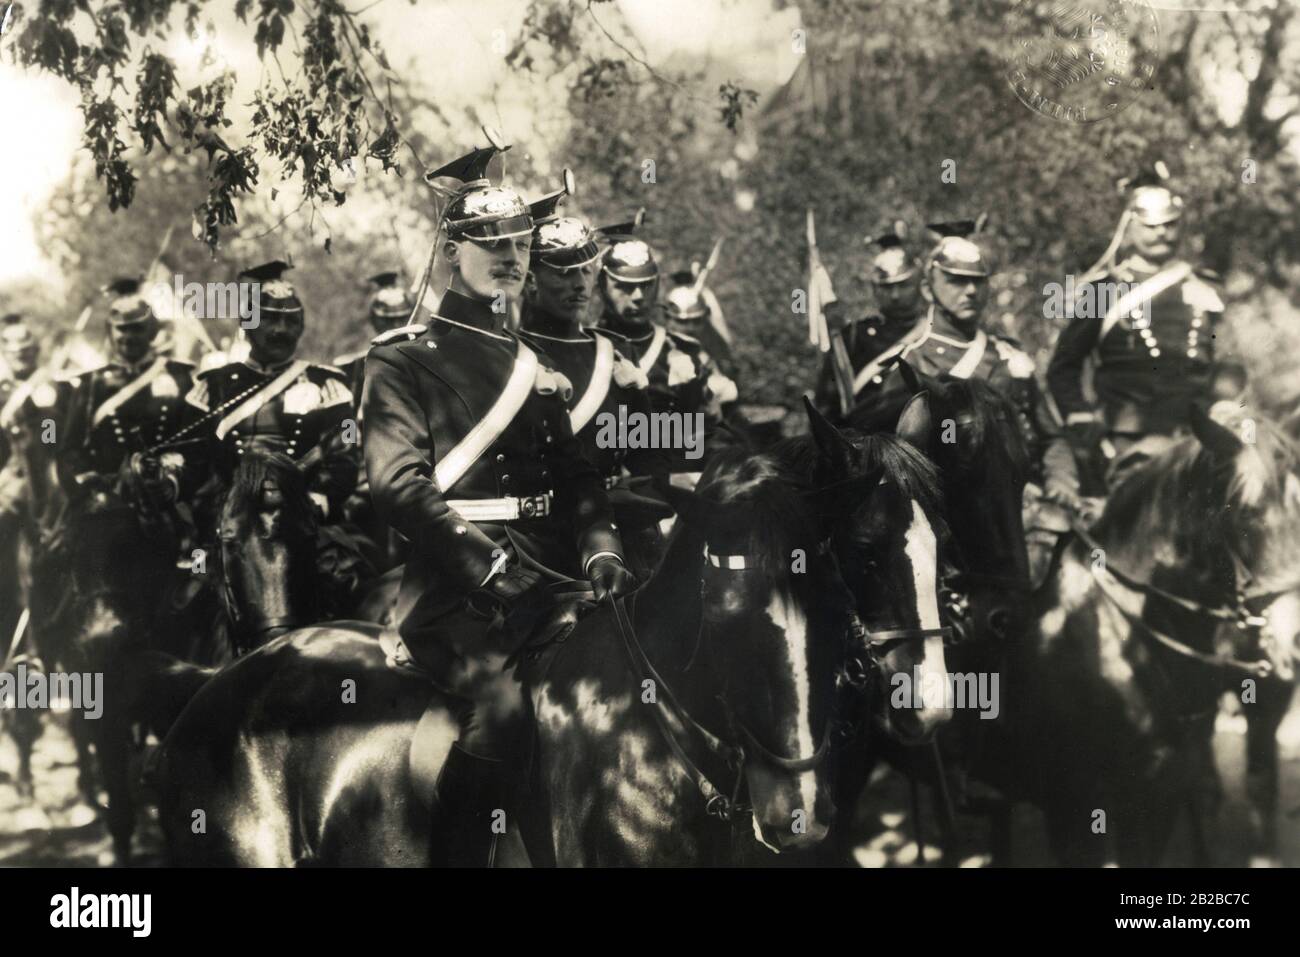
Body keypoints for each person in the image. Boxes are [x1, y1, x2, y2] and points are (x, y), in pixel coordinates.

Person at [362, 138, 634, 866]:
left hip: (552, 583)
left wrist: (602, 549)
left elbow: (580, 480)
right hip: (457, 597)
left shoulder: (537, 368)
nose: (510, 259)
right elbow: (397, 485)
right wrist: (484, 567)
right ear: (452, 252)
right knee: (506, 717)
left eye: (518, 244)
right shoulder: (401, 360)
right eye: (490, 245)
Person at [873, 219, 1080, 586]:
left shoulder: (1010, 357)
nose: (969, 291)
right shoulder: (913, 363)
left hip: (1024, 506)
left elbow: (1052, 436)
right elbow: (894, 458)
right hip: (953, 519)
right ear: (928, 286)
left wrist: (1062, 480)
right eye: (955, 280)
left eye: (977, 281)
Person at [518, 177, 671, 579]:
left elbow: (650, 457)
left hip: (617, 526)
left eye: (586, 272)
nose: (579, 284)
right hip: (540, 533)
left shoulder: (614, 348)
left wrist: (641, 399)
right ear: (530, 279)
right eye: (563, 273)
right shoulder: (511, 350)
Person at [1046, 162, 1225, 493]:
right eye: (1151, 225)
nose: (1161, 233)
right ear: (1130, 227)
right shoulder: (1104, 290)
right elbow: (1063, 367)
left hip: (1194, 434)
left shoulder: (1204, 287)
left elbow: (1223, 364)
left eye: (1170, 225)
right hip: (1126, 440)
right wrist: (1080, 417)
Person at [595, 213, 737, 484]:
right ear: (602, 286)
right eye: (624, 286)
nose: (638, 297)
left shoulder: (685, 351)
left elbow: (709, 431)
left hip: (673, 493)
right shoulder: (584, 347)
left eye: (646, 285)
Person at [57, 279, 200, 505]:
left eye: (137, 328)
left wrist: (175, 484)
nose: (129, 337)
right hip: (107, 501)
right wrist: (90, 484)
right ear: (110, 332)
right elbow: (68, 449)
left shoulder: (178, 376)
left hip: (166, 498)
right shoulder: (92, 383)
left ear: (152, 331)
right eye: (122, 329)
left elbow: (198, 445)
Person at [814, 223, 925, 411]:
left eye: (903, 285)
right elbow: (827, 402)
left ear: (919, 285)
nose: (895, 295)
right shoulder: (854, 336)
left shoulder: (932, 331)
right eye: (887, 287)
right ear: (874, 289)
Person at [333, 271, 417, 406]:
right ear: (375, 320)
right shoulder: (358, 366)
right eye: (388, 320)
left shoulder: (422, 359)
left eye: (400, 319)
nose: (395, 326)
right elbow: (350, 416)